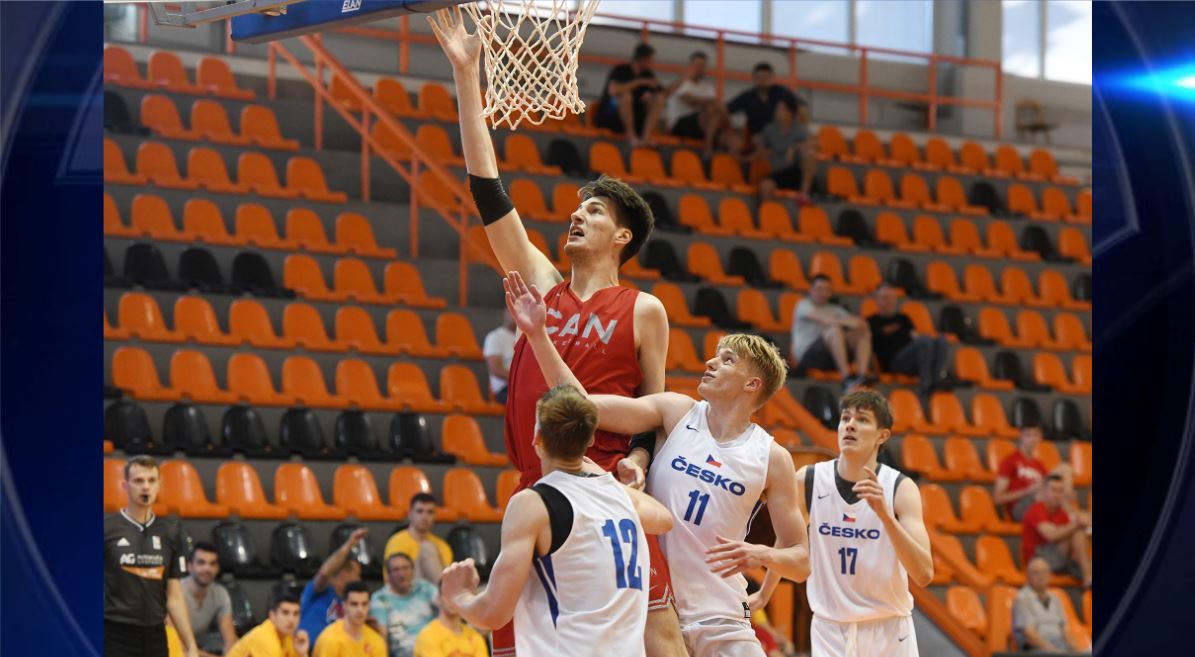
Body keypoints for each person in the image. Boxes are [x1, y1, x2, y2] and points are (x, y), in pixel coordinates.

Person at [427, 7, 679, 656]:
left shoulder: (643, 308)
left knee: (653, 631)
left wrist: (639, 461)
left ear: (621, 234)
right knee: (514, 641)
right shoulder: (540, 280)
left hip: (601, 485)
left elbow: (653, 411)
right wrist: (466, 75)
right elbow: (488, 190)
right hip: (536, 480)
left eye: (591, 211)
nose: (575, 215)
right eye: (574, 208)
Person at [505, 270, 811, 657]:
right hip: (653, 609)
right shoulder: (676, 411)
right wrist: (537, 335)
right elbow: (583, 404)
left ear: (752, 385)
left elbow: (801, 560)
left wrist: (761, 556)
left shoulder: (772, 457)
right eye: (715, 355)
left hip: (723, 617)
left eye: (727, 360)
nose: (711, 363)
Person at [439, 384, 675, 657]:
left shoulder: (532, 504)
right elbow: (663, 520)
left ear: (537, 438)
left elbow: (493, 614)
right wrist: (603, 477)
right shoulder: (621, 498)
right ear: (589, 440)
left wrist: (458, 597)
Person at [789, 390, 933, 656]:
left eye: (862, 419)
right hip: (829, 628)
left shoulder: (900, 488)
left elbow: (923, 573)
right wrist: (764, 592)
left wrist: (885, 517)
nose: (850, 424)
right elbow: (789, 545)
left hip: (888, 630)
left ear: (882, 435)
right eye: (845, 418)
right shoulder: (808, 480)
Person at [104, 455, 199, 657]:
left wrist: (189, 644)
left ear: (159, 485)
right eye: (138, 481)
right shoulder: (106, 529)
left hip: (155, 635)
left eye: (151, 480)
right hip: (115, 634)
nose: (145, 487)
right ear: (125, 485)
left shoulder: (171, 532)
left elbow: (174, 597)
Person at [866, 283, 950, 398]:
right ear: (876, 300)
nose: (889, 302)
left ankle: (934, 382)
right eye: (885, 298)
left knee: (941, 340)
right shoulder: (871, 322)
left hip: (912, 358)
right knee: (925, 341)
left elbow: (915, 337)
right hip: (893, 362)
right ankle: (926, 386)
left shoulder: (903, 318)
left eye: (892, 298)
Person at [790, 274, 872, 390]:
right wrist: (846, 322)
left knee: (861, 331)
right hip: (808, 356)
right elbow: (825, 320)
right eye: (819, 289)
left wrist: (855, 323)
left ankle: (861, 376)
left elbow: (861, 323)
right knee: (834, 330)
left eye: (827, 290)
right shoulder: (803, 305)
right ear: (811, 290)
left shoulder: (835, 309)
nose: (823, 293)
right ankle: (846, 377)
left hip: (832, 355)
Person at [1021, 475, 1092, 589]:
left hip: (1061, 559)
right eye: (1053, 490)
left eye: (1060, 491)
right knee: (1077, 530)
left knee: (1081, 533)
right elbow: (1051, 536)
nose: (1057, 494)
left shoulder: (1062, 513)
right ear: (1044, 491)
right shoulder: (1035, 509)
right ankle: (1088, 575)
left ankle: (1088, 574)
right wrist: (1078, 522)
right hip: (1037, 560)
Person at [299, 528, 367, 644]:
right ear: (342, 572)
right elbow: (324, 573)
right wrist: (349, 544)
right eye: (356, 575)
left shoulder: (353, 603)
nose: (359, 580)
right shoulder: (319, 590)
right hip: (307, 649)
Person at [994, 424, 1074, 521]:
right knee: (1045, 494)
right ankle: (1072, 519)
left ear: (1040, 438)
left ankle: (1071, 517)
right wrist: (1027, 491)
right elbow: (998, 498)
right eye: (1028, 435)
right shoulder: (1010, 461)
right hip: (1020, 508)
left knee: (1065, 468)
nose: (1032, 439)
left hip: (1042, 504)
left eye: (1036, 435)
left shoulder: (1039, 464)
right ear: (1021, 437)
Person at [593, 43, 667, 146]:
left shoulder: (648, 74)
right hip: (612, 115)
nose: (652, 63)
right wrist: (639, 82)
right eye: (650, 60)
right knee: (626, 97)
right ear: (642, 59)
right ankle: (631, 136)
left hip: (636, 117)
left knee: (659, 99)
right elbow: (613, 90)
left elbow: (664, 93)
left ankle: (645, 136)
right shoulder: (620, 70)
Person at [369, 553, 437, 657]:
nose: (402, 574)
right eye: (396, 570)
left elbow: (446, 605)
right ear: (388, 575)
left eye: (405, 568)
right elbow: (381, 637)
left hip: (435, 648)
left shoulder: (424, 587)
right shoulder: (380, 599)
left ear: (413, 570)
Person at [1013, 557, 1087, 652]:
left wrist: (1075, 650)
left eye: (1044, 572)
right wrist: (1054, 652)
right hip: (1036, 649)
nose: (1041, 576)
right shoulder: (1022, 598)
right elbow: (1029, 634)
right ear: (1028, 576)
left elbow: (1064, 629)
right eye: (1036, 572)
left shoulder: (1055, 598)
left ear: (1049, 575)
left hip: (1060, 646)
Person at [751, 98, 817, 205]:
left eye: (782, 109)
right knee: (765, 185)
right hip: (779, 172)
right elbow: (760, 150)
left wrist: (794, 147)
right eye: (777, 108)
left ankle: (805, 193)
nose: (777, 110)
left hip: (796, 172)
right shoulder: (770, 129)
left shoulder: (799, 129)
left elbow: (815, 143)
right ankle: (770, 216)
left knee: (810, 154)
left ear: (790, 113)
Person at [182, 542, 238, 656]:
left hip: (196, 648)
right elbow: (179, 647)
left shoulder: (220, 593)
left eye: (212, 564)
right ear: (189, 566)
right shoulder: (175, 593)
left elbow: (230, 640)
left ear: (217, 568)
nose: (207, 568)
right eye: (201, 562)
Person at [383, 493, 453, 585]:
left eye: (430, 512)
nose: (424, 517)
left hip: (434, 593)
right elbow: (391, 580)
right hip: (407, 592)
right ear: (410, 514)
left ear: (435, 515)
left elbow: (446, 575)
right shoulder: (397, 541)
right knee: (427, 548)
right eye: (419, 511)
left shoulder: (443, 546)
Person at [664, 51, 724, 154]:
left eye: (703, 66)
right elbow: (688, 100)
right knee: (712, 110)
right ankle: (708, 147)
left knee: (729, 136)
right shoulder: (682, 82)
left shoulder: (708, 87)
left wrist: (708, 102)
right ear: (690, 66)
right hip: (679, 125)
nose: (700, 69)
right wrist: (707, 101)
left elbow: (716, 104)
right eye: (697, 65)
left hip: (700, 125)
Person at [413, 581, 488, 657]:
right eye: (447, 594)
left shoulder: (475, 636)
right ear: (438, 598)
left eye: (457, 594)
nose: (452, 599)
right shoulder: (427, 636)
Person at [226, 590, 310, 657]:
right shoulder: (264, 638)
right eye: (285, 613)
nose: (291, 619)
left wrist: (302, 654)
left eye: (296, 614)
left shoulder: (289, 638)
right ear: (272, 615)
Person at [313, 581, 387, 657]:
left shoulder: (376, 640)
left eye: (364, 604)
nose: (360, 610)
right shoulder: (329, 639)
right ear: (344, 605)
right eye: (354, 604)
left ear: (369, 606)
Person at [726, 62, 801, 136]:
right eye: (760, 77)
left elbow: (800, 106)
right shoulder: (747, 97)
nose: (764, 80)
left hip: (781, 135)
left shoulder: (782, 93)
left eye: (767, 77)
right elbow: (727, 109)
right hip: (757, 136)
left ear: (772, 78)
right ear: (754, 78)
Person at [484, 310, 517, 403]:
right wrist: (520, 380)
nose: (516, 313)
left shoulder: (527, 337)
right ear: (504, 314)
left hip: (524, 386)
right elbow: (496, 369)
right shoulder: (494, 337)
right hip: (504, 388)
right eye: (512, 310)